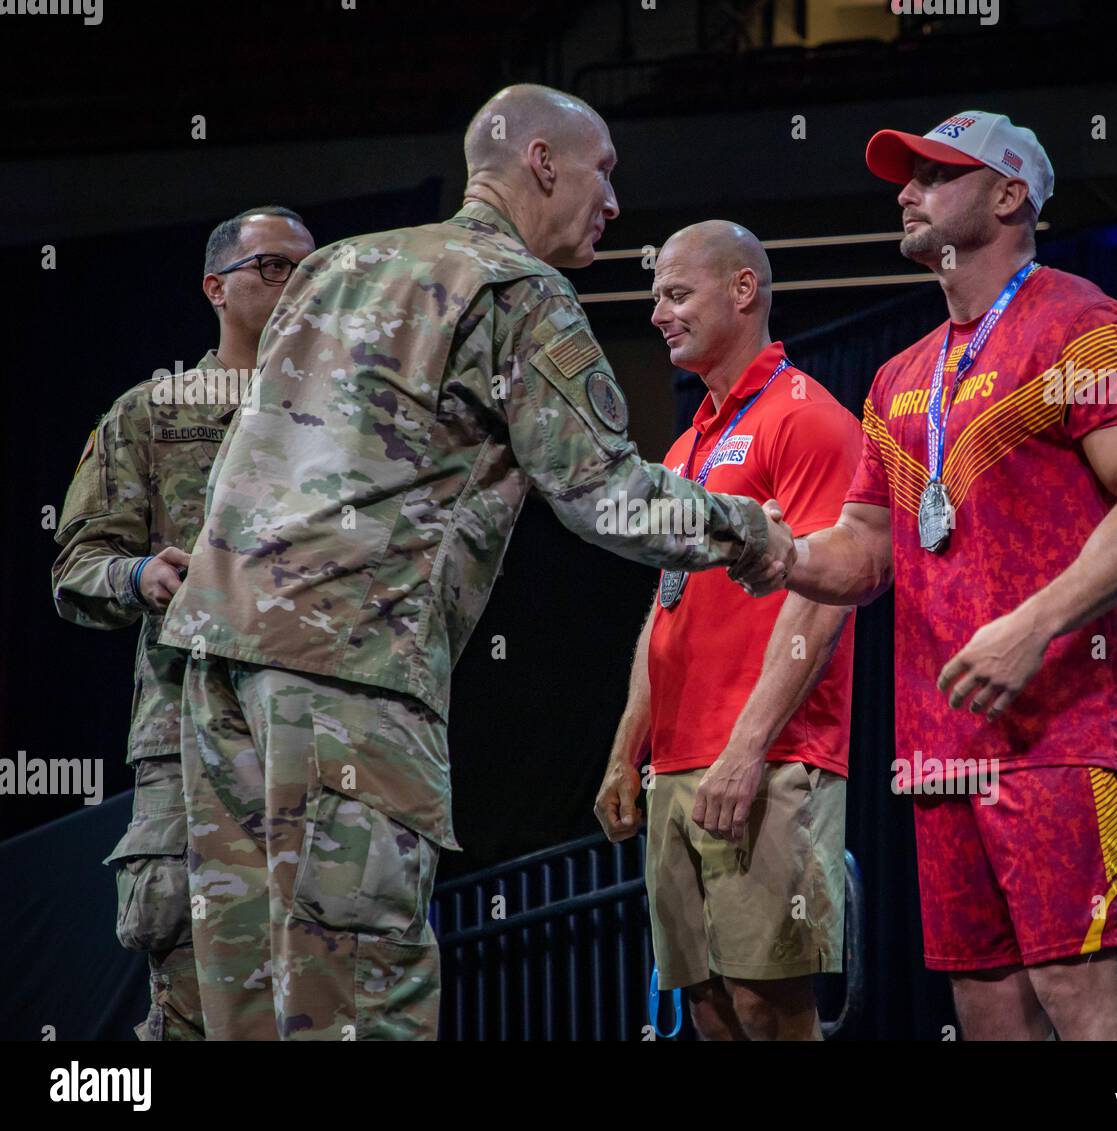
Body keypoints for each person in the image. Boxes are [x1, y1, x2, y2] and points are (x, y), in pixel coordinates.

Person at [157, 85, 794, 1041]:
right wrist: (765, 537)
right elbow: (605, 494)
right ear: (542, 163)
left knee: (243, 1006)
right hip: (349, 672)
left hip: (213, 666)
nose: (614, 204)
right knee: (361, 998)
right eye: (603, 172)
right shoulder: (516, 288)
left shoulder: (333, 266)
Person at [762, 111, 1117, 1039]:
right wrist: (783, 553)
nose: (905, 190)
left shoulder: (1087, 327)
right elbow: (868, 550)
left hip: (1064, 729)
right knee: (986, 1005)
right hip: (940, 747)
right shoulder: (898, 378)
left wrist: (1033, 624)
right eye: (904, 176)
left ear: (1009, 196)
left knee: (1075, 986)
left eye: (934, 173)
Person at [50, 205, 316, 1040]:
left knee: (330, 983)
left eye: (310, 271)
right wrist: (139, 573)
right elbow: (76, 567)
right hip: (191, 738)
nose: (296, 285)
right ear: (216, 287)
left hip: (322, 738)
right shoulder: (154, 414)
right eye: (273, 267)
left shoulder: (349, 423)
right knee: (200, 994)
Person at [595, 221, 861, 1040]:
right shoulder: (684, 444)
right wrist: (625, 749)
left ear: (742, 291)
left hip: (767, 757)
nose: (657, 315)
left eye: (676, 294)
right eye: (655, 298)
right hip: (677, 763)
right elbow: (666, 602)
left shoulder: (807, 418)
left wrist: (746, 750)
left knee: (767, 1007)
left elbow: (822, 596)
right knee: (709, 1010)